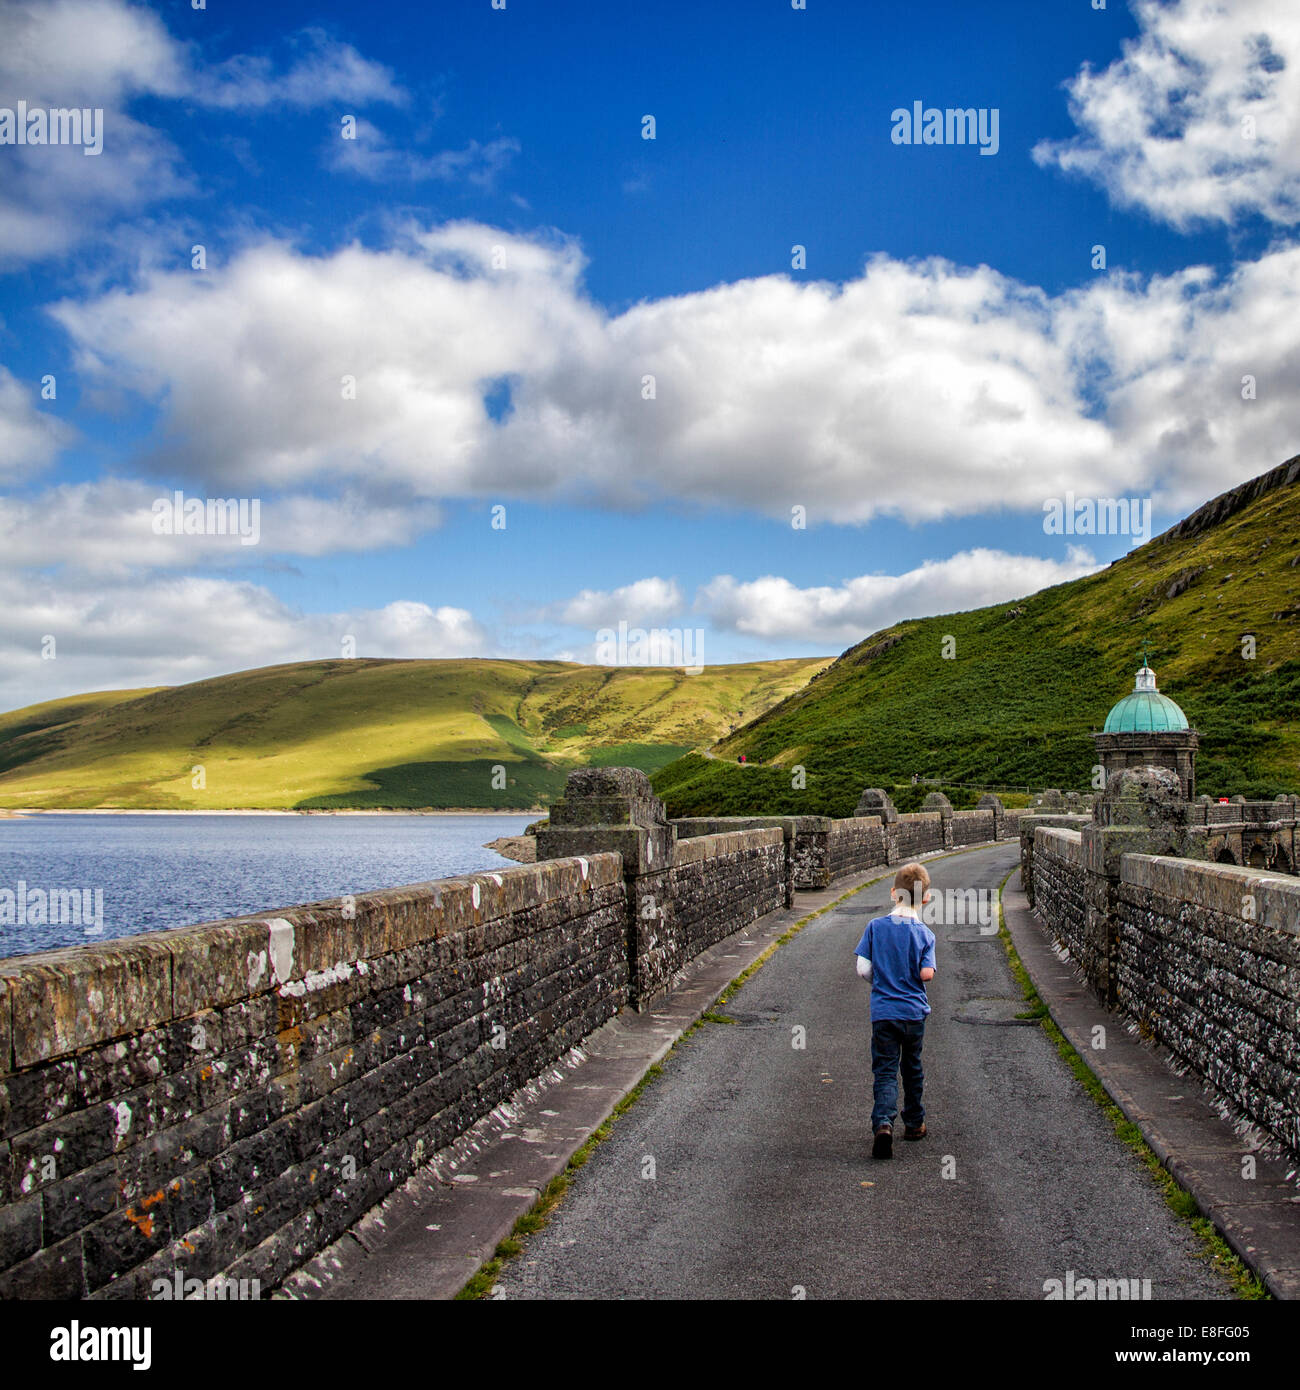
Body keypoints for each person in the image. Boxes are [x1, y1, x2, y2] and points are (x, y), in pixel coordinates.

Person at [852, 861, 937, 1160]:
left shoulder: (875, 927)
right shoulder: (925, 935)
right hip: (914, 1013)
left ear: (893, 893)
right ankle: (914, 1122)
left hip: (884, 1013)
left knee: (886, 1070)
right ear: (925, 898)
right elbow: (927, 974)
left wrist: (882, 981)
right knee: (912, 1067)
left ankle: (883, 1123)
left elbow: (863, 969)